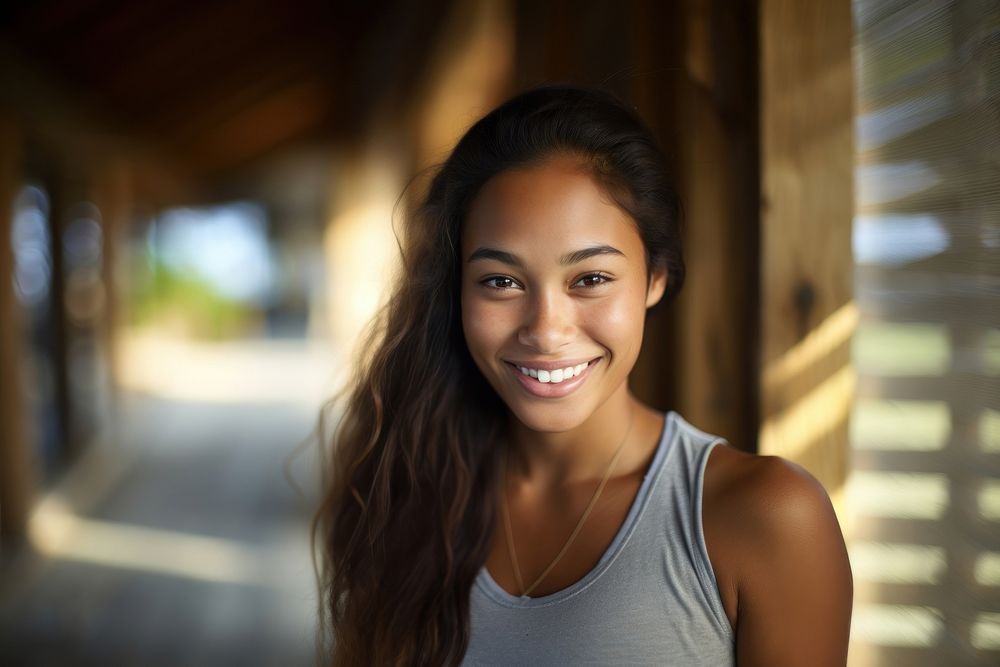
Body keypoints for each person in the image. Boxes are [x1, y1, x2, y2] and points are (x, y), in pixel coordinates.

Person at [311, 84, 853, 666]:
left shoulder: (766, 517)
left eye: (590, 279)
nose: (546, 330)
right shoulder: (407, 490)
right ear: (456, 293)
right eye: (501, 281)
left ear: (655, 279)